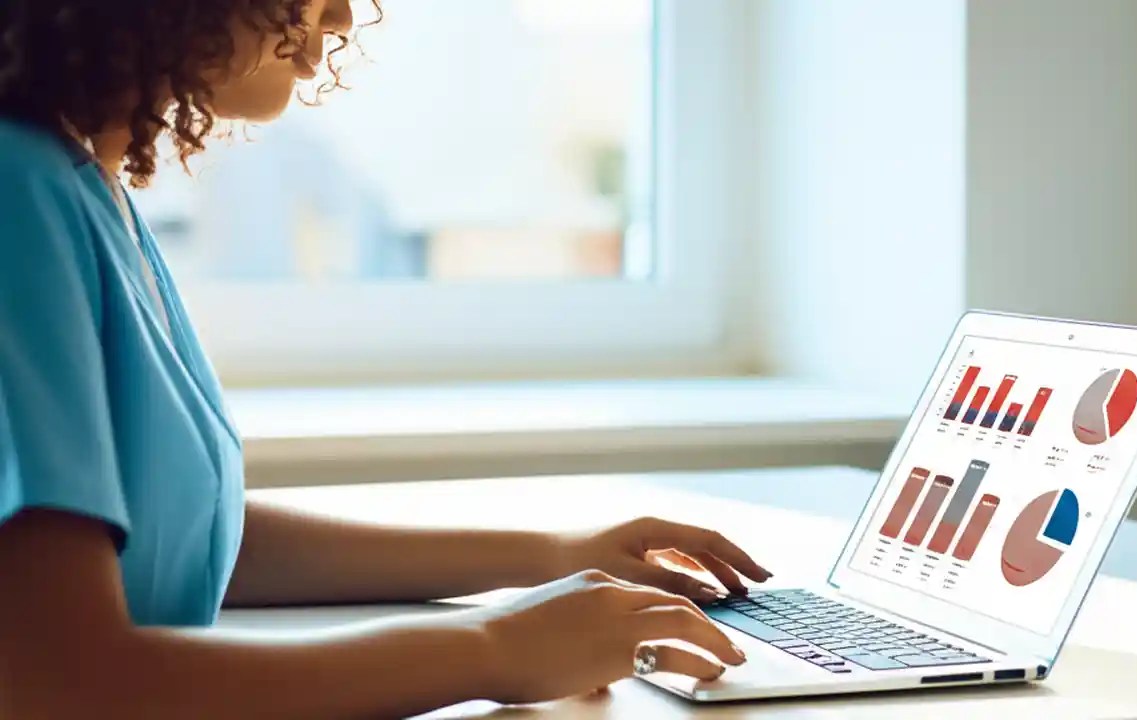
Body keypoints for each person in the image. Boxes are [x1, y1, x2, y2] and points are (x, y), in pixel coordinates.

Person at [0, 1, 772, 715]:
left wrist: (546, 555)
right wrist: (491, 651)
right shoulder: (18, 196)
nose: (338, 14)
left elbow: (182, 543)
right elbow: (63, 678)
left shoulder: (82, 182)